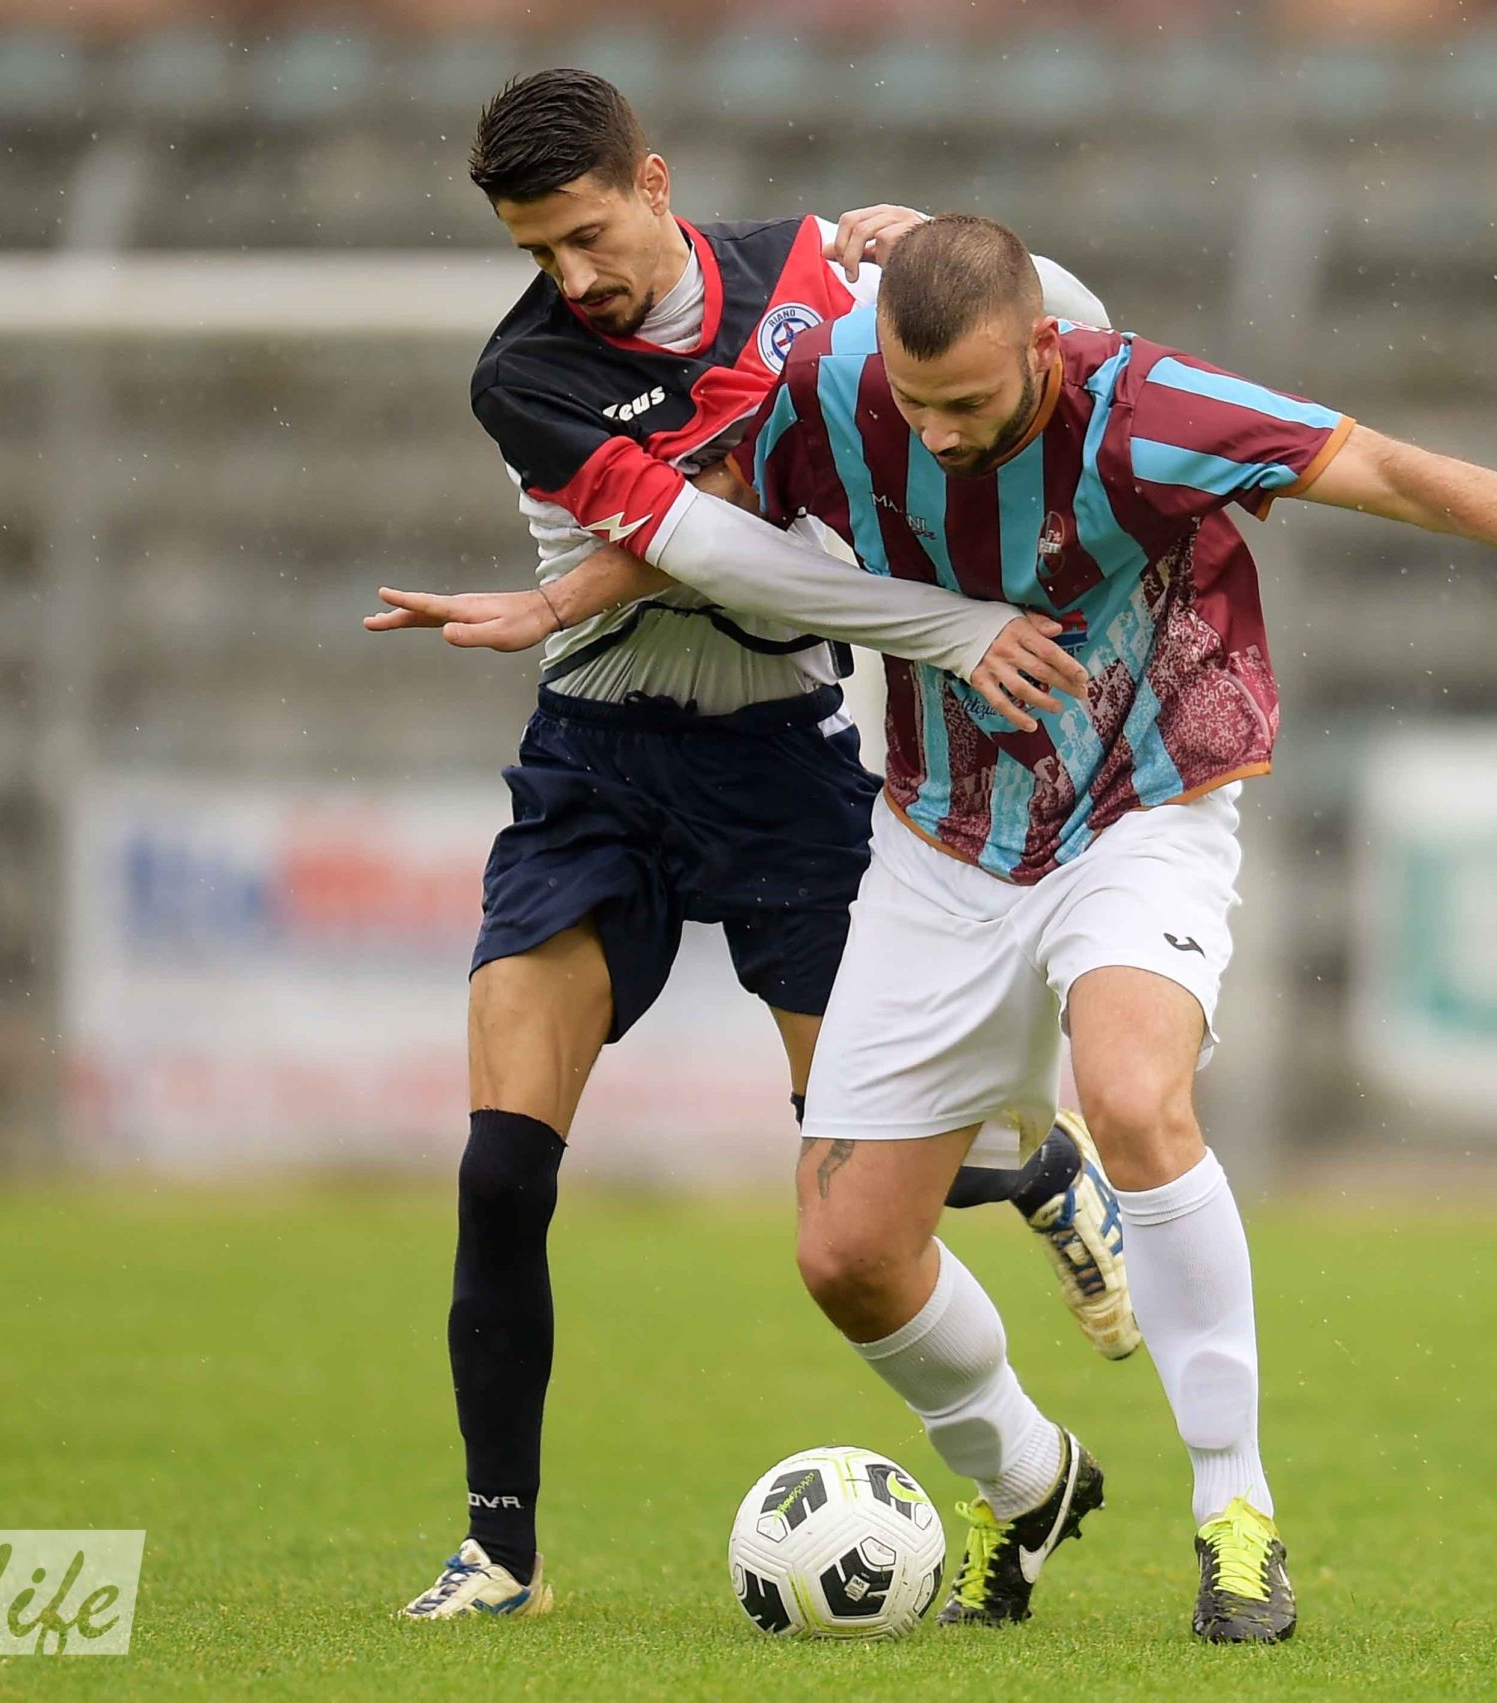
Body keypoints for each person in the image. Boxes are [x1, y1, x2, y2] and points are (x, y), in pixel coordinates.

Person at [461, 213, 1497, 1641]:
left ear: (1042, 345)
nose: (945, 435)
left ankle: (1234, 1511)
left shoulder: (1151, 410)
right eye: (920, 404)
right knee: (844, 1252)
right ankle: (1025, 1478)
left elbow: (1388, 466)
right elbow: (704, 531)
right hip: (941, 838)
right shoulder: (834, 393)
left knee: (1137, 1098)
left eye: (972, 403)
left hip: (1143, 802)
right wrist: (555, 599)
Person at [366, 72, 1140, 1624]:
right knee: (503, 1169)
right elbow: (720, 558)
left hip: (784, 770)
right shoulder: (528, 378)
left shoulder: (810, 271)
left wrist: (944, 249)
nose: (572, 279)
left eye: (589, 236)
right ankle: (499, 1552)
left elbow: (1068, 325)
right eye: (539, 255)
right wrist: (955, 626)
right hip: (594, 768)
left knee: (875, 1190)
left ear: (654, 182)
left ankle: (1038, 1163)